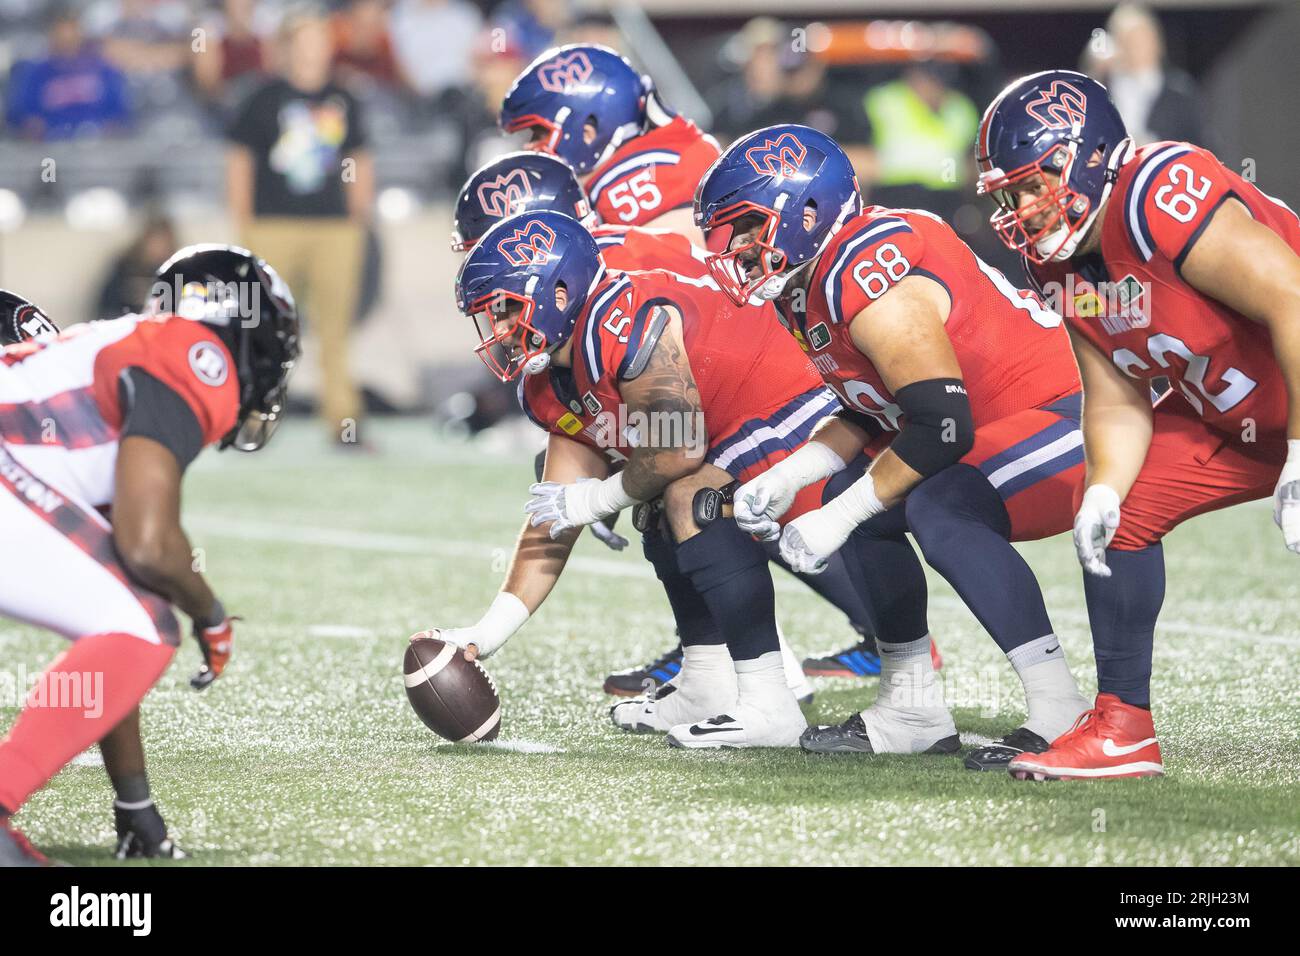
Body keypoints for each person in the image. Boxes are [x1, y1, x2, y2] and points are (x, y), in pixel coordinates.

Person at [695, 125, 1093, 764]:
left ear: (806, 211)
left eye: (746, 227)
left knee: (937, 504)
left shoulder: (868, 265)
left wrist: (837, 519)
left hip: (1072, 416)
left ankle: (1060, 708)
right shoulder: (809, 282)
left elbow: (939, 425)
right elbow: (873, 412)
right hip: (998, 429)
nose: (738, 248)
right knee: (854, 487)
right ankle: (912, 708)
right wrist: (792, 476)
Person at [451, 152, 908, 703]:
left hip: (781, 394)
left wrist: (600, 494)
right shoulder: (547, 377)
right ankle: (710, 677)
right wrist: (486, 633)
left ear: (556, 288)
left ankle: (778, 681)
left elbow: (675, 449)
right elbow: (556, 511)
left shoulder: (616, 310)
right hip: (710, 417)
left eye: (506, 306)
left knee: (688, 496)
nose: (497, 328)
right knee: (658, 499)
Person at [974, 70, 1300, 779]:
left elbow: (1293, 299)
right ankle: (1123, 729)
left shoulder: (1160, 197)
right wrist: (1102, 487)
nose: (1024, 209)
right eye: (1009, 194)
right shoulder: (1059, 266)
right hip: (1230, 416)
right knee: (1123, 512)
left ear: (1090, 155)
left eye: (1036, 184)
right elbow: (1118, 394)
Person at [0, 246, 300, 864]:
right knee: (147, 624)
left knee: (132, 619)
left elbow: (117, 610)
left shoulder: (128, 345)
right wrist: (210, 614)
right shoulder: (198, 356)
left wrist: (134, 802)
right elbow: (148, 546)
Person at [227, 4, 373, 447]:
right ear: (287, 47)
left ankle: (342, 420)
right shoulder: (261, 98)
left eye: (321, 38)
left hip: (333, 228)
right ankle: (254, 417)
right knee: (265, 326)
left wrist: (357, 216)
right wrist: (245, 223)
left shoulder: (345, 97)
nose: (316, 48)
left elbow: (359, 159)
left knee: (335, 330)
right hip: (273, 225)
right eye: (307, 39)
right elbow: (240, 162)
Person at [499, 43, 718, 243]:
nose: (530, 147)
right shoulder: (672, 151)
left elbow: (684, 270)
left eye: (540, 134)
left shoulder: (648, 175)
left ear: (588, 132)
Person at [4, 6, 132, 140]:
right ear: (52, 36)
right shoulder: (34, 73)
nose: (67, 42)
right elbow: (22, 115)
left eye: (72, 36)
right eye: (62, 37)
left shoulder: (103, 69)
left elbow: (119, 111)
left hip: (95, 139)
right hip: (52, 142)